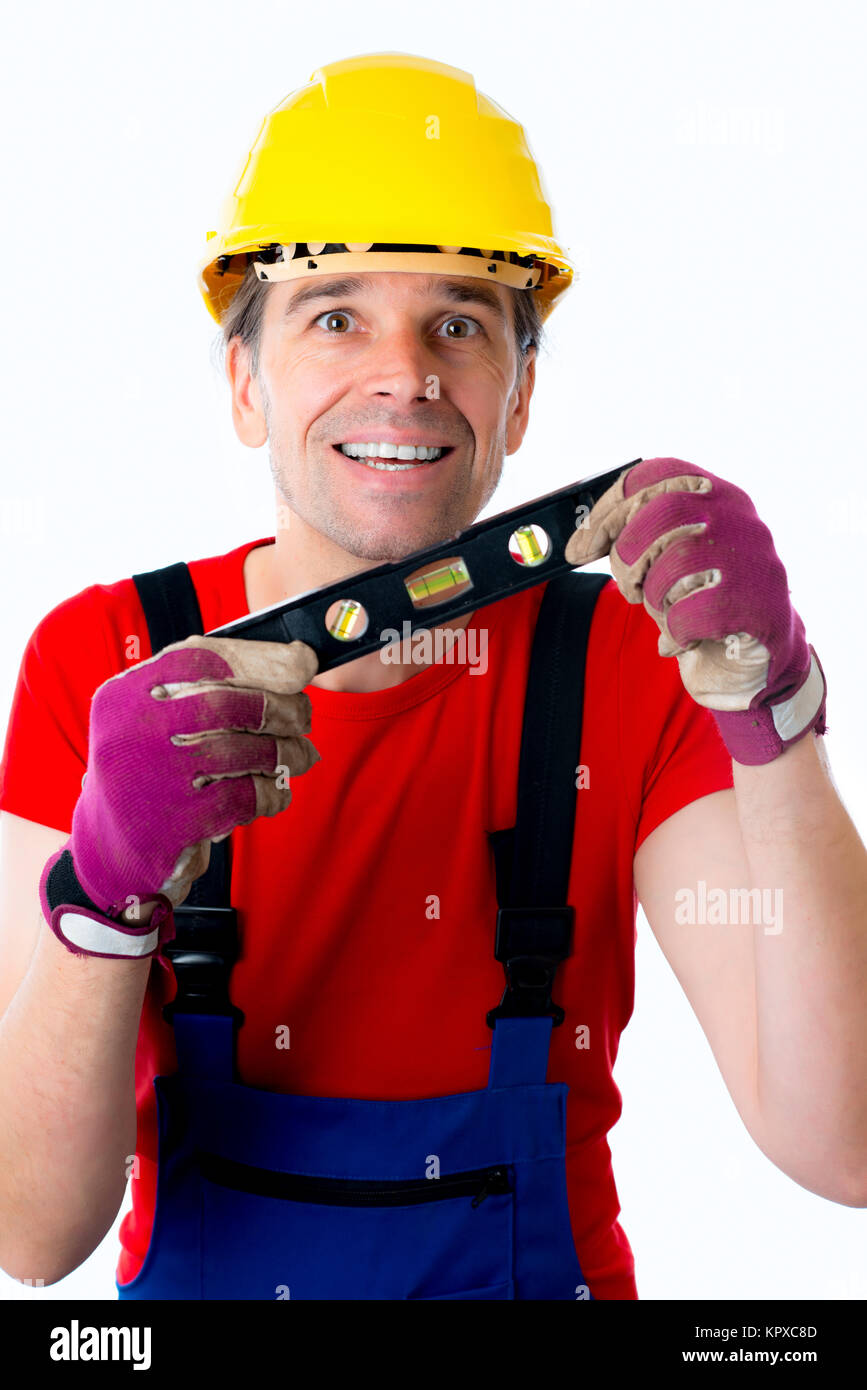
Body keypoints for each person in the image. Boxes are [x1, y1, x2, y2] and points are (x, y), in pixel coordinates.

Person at [0, 51, 864, 1302]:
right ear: (246, 383)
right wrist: (106, 891)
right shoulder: (107, 663)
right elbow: (31, 1233)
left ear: (518, 400)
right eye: (335, 314)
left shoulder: (637, 658)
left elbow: (842, 1145)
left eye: (459, 320)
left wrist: (776, 712)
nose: (404, 372)